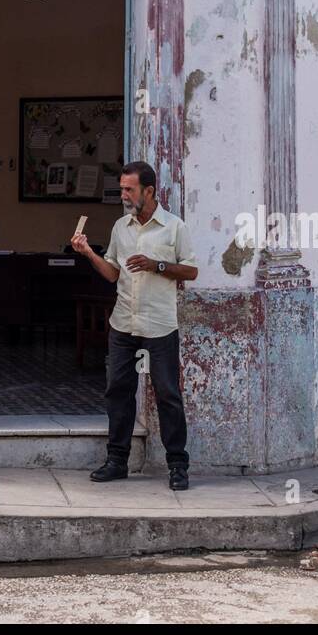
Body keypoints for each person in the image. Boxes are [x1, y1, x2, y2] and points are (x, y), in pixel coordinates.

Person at [71, 160, 198, 489]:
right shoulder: (120, 227)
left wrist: (157, 265)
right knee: (118, 392)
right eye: (122, 188)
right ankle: (117, 461)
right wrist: (88, 253)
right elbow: (113, 273)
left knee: (168, 394)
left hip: (160, 325)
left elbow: (191, 271)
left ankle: (177, 465)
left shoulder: (174, 227)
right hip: (123, 323)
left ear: (149, 191)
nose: (123, 195)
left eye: (129, 189)